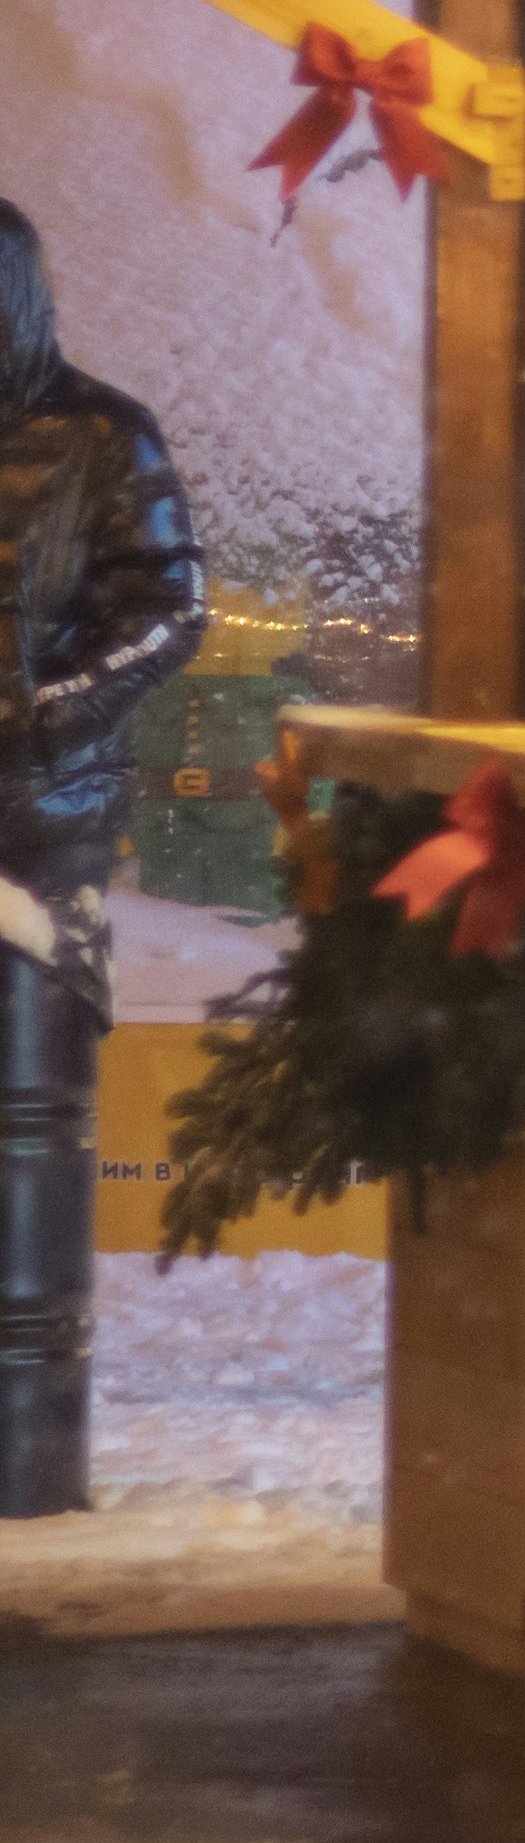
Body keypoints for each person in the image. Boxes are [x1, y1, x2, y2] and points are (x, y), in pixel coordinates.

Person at [0, 197, 201, 1521]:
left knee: (27, 1143)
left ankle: (20, 1458)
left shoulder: (101, 434)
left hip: (33, 836)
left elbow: (166, 608)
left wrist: (39, 713)